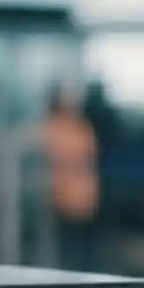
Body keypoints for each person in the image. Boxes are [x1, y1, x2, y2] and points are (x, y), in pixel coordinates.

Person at [39, 87, 99, 272]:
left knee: (70, 251)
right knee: (76, 250)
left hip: (69, 198)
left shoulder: (58, 129)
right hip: (78, 197)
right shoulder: (80, 128)